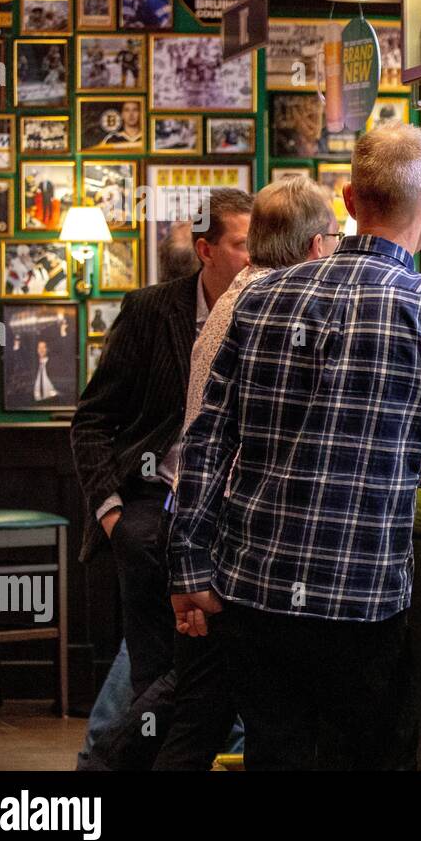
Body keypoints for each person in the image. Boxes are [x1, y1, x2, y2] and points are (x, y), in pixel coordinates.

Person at [168, 123, 421, 770]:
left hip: (253, 593)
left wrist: (188, 570)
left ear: (347, 196)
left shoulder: (259, 299)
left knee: (277, 757)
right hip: (360, 599)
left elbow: (206, 439)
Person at [152, 176, 340, 770]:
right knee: (204, 716)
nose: (337, 249)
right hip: (230, 537)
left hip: (203, 529)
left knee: (203, 709)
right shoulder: (272, 307)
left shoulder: (240, 293)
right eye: (334, 236)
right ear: (315, 246)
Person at [70, 188, 251, 766]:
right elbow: (92, 420)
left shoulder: (267, 311)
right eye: (243, 244)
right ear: (206, 249)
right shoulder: (152, 310)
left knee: (194, 670)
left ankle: (100, 761)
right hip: (149, 512)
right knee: (164, 667)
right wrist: (113, 514)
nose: (256, 257)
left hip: (225, 520)